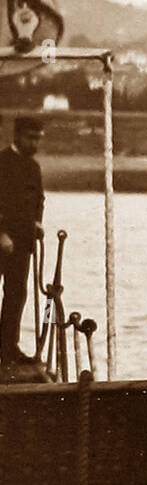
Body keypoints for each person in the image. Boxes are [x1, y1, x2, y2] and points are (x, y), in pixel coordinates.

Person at [0, 116, 45, 364]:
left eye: (38, 138)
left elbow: (39, 200)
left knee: (16, 294)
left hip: (22, 243)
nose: (34, 143)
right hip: (2, 242)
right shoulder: (2, 162)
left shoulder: (33, 168)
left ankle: (8, 349)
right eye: (30, 137)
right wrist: (1, 233)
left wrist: (37, 223)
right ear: (17, 135)